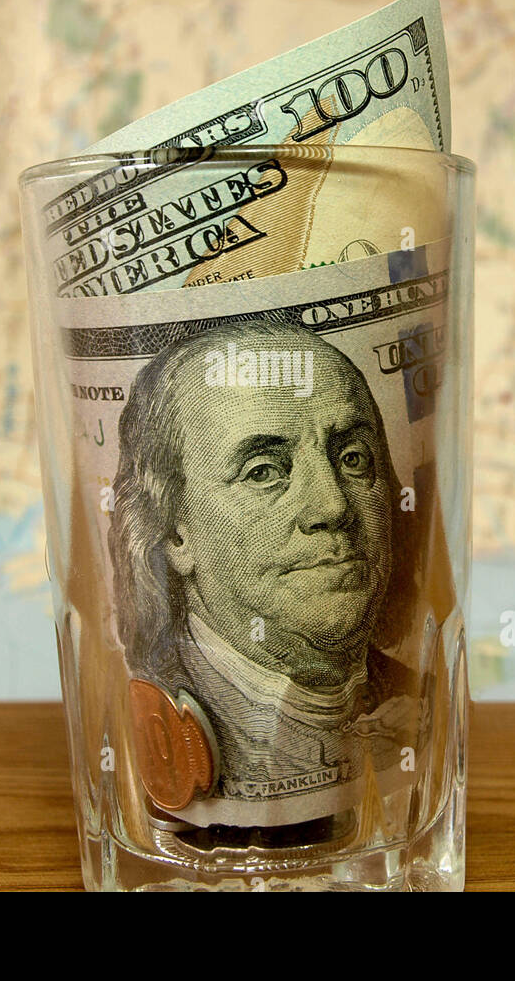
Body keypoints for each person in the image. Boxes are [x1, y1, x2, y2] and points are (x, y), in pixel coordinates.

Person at [109, 317, 418, 814]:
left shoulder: (416, 699)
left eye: (354, 458)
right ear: (174, 532)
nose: (332, 507)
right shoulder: (142, 713)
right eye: (264, 472)